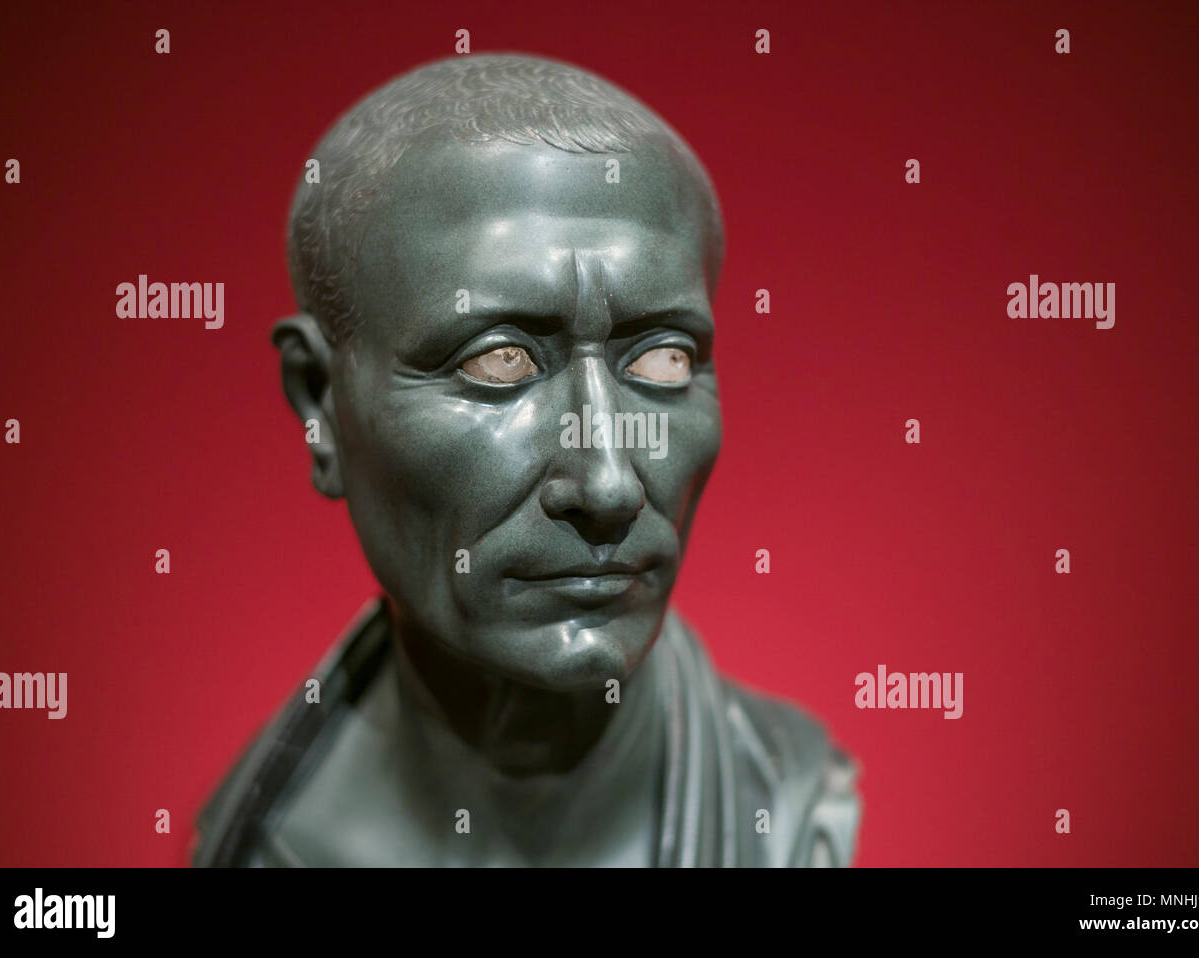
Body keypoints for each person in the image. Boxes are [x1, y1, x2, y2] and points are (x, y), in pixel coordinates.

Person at [192, 52, 859, 867]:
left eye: (662, 361)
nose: (608, 481)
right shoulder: (261, 838)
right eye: (499, 363)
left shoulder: (789, 805)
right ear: (321, 406)